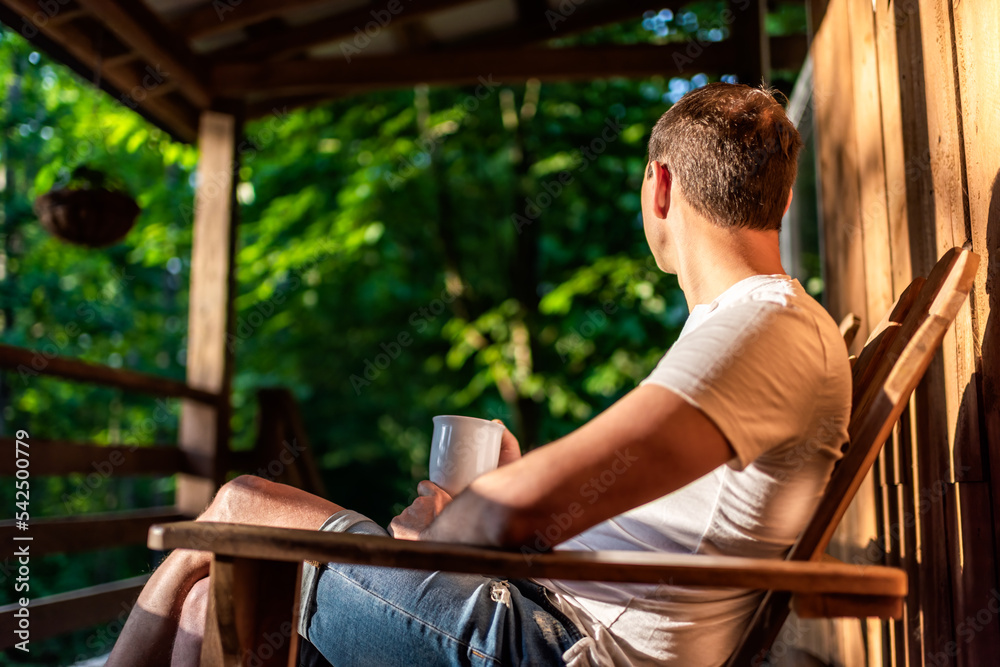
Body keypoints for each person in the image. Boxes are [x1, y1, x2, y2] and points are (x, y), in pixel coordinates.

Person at [107, 82, 851, 667]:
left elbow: (504, 518)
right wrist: (512, 507)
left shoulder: (763, 328)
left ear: (660, 189)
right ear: (782, 199)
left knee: (240, 504)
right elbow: (643, 531)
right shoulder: (751, 328)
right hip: (544, 614)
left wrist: (432, 535)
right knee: (212, 604)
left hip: (555, 646)